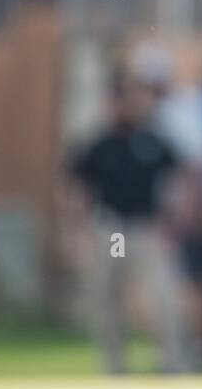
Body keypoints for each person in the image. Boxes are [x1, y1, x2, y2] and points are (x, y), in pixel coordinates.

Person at [69, 76, 188, 373]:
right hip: (110, 228)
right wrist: (78, 233)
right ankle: (114, 365)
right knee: (106, 298)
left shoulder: (153, 141)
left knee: (162, 295)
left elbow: (176, 182)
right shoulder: (98, 145)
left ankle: (172, 361)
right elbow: (79, 191)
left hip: (146, 228)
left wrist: (173, 223)